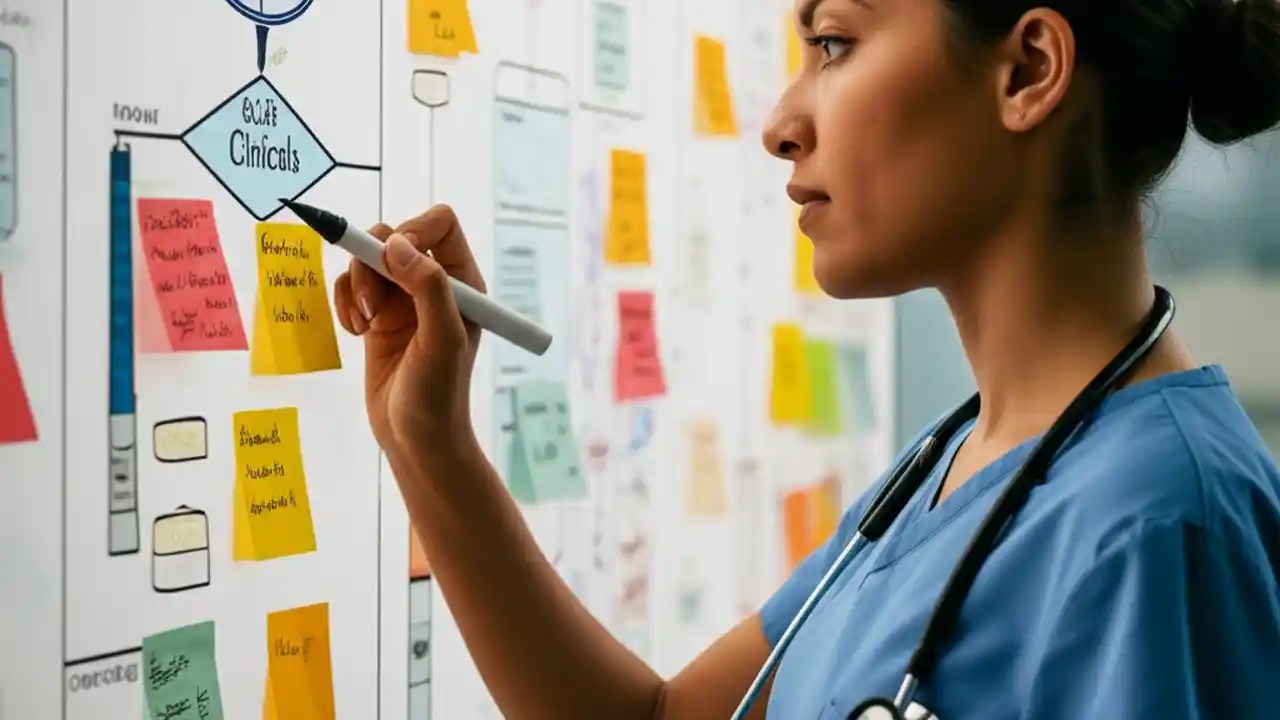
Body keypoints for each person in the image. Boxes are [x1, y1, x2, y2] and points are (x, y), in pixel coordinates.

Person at [333, 0, 1280, 717]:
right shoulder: (945, 471)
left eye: (833, 43)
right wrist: (428, 442)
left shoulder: (1163, 522)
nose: (780, 120)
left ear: (1027, 70)